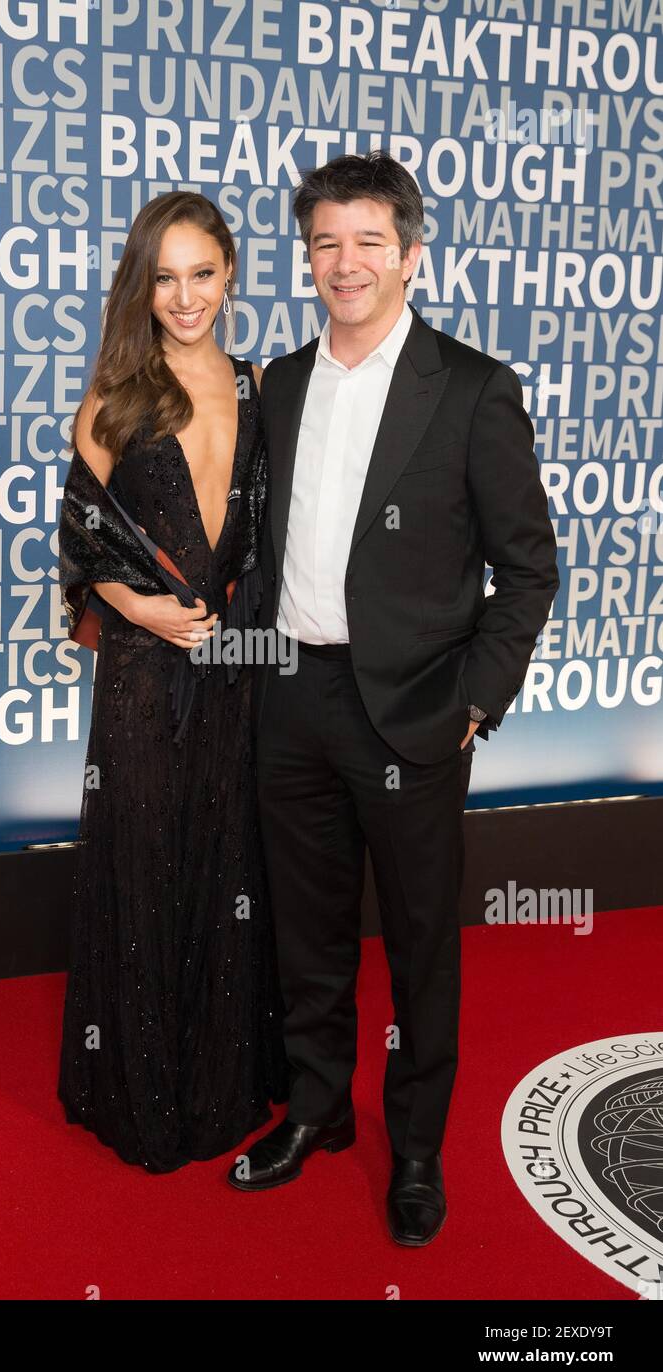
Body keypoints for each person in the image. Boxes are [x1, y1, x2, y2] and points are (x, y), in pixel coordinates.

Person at [227, 151, 560, 1245]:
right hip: (292, 698)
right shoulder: (276, 382)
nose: (345, 261)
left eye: (369, 240)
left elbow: (529, 568)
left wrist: (473, 701)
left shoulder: (468, 388)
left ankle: (413, 1146)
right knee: (306, 930)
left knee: (420, 942)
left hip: (415, 711)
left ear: (412, 254)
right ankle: (316, 1109)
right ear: (307, 257)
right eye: (325, 241)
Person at [56, 191, 288, 1174]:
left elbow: (283, 529)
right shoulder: (111, 400)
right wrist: (138, 609)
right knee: (146, 868)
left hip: (235, 665)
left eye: (202, 273)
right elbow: (79, 543)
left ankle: (225, 1081)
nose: (185, 296)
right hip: (148, 676)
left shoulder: (260, 385)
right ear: (141, 286)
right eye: (166, 276)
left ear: (228, 273)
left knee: (230, 866)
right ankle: (143, 1094)